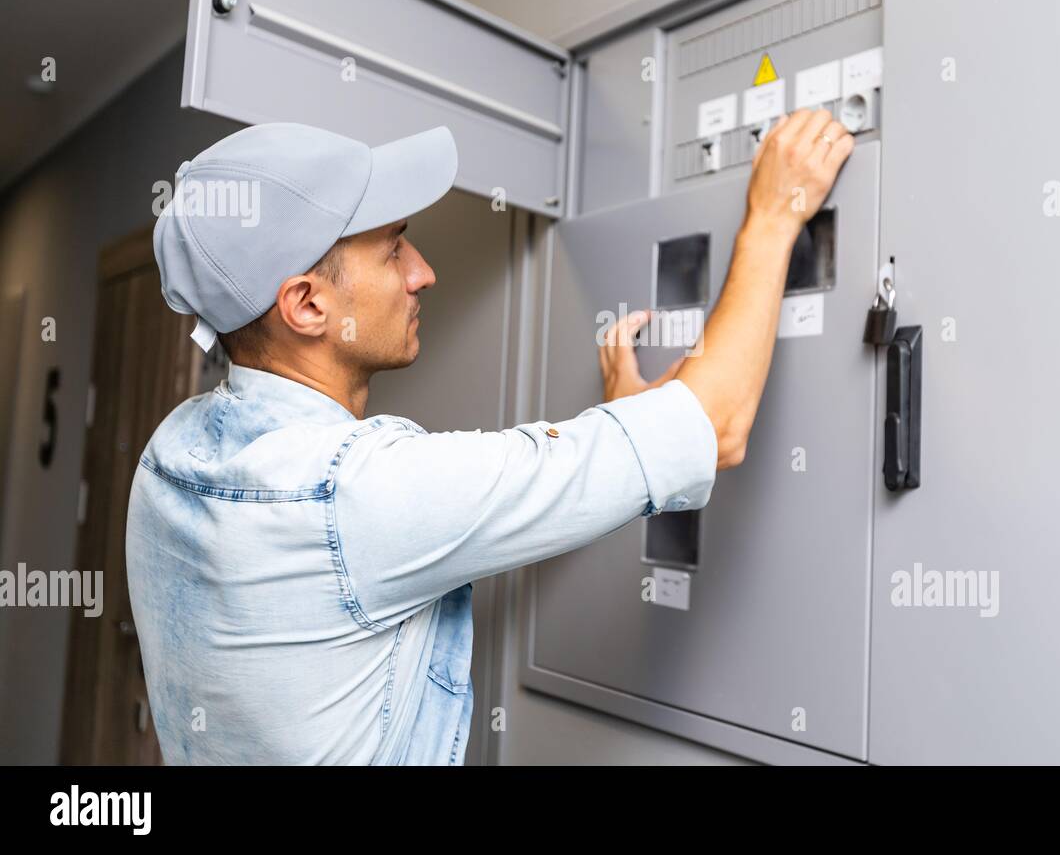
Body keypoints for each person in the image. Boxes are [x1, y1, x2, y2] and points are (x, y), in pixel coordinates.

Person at [126, 108, 854, 764]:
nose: (424, 273)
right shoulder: (357, 493)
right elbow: (717, 424)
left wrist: (626, 427)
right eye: (393, 249)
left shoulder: (168, 457)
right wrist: (772, 217)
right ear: (308, 304)